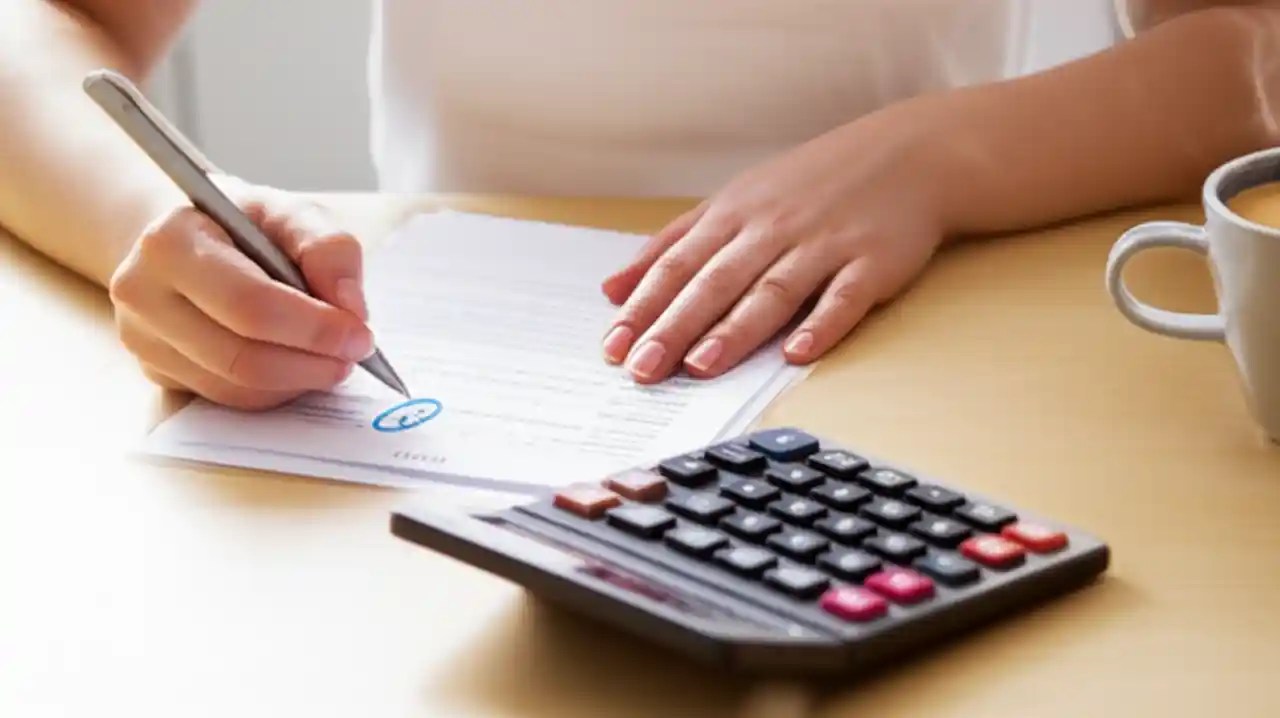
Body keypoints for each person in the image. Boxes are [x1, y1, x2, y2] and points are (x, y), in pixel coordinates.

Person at [0, 1, 1276, 410]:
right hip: (454, 381)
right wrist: (152, 214)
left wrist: (939, 160)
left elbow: (1250, 49)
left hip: (936, 364)